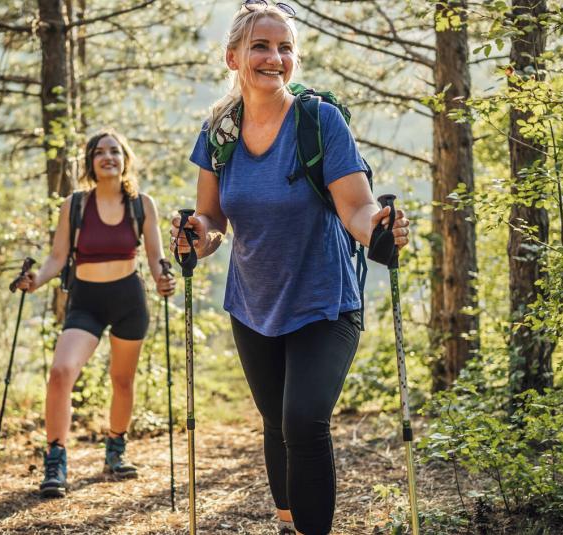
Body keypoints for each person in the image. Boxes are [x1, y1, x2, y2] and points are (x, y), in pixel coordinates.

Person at [172, 1, 411, 533]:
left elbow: (355, 206)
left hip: (325, 299)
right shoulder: (219, 131)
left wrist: (380, 226)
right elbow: (213, 218)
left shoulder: (318, 121)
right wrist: (198, 236)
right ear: (233, 56)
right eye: (261, 45)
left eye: (285, 48)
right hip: (253, 303)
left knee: (303, 420)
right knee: (276, 424)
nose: (274, 58)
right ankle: (289, 522)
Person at [16, 128, 176, 498]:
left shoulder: (141, 205)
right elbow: (57, 257)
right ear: (90, 162)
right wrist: (34, 280)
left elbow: (155, 258)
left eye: (115, 151)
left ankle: (115, 452)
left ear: (125, 160)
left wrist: (163, 281)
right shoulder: (74, 205)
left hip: (128, 299)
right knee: (61, 372)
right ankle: (55, 460)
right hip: (86, 299)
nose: (108, 157)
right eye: (100, 152)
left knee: (122, 381)